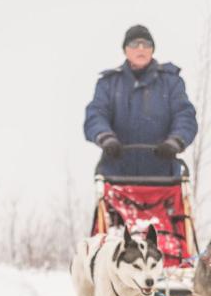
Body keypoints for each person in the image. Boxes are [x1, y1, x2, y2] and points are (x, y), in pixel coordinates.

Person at [83, 24, 198, 180]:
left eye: (146, 44)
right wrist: (106, 138)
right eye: (134, 44)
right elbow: (96, 114)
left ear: (152, 49)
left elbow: (184, 115)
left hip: (163, 177)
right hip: (117, 176)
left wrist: (175, 141)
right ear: (125, 50)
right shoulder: (109, 84)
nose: (141, 48)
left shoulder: (171, 82)